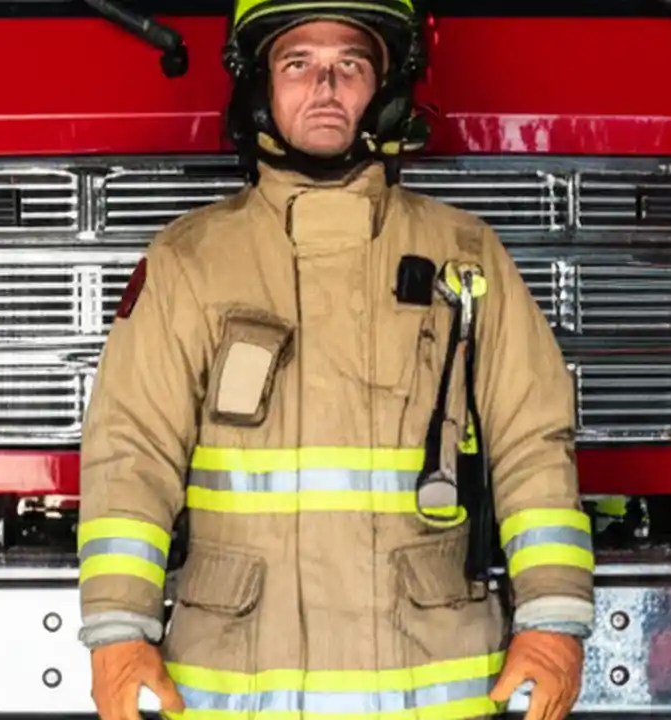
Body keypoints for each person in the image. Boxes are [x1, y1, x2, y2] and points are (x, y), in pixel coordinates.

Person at [75, 1, 595, 718]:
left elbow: (532, 444)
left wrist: (554, 621)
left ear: (386, 94)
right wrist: (118, 630)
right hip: (238, 686)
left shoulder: (466, 256)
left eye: (349, 64)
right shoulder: (189, 262)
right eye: (298, 65)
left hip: (431, 684)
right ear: (260, 89)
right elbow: (131, 451)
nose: (325, 87)